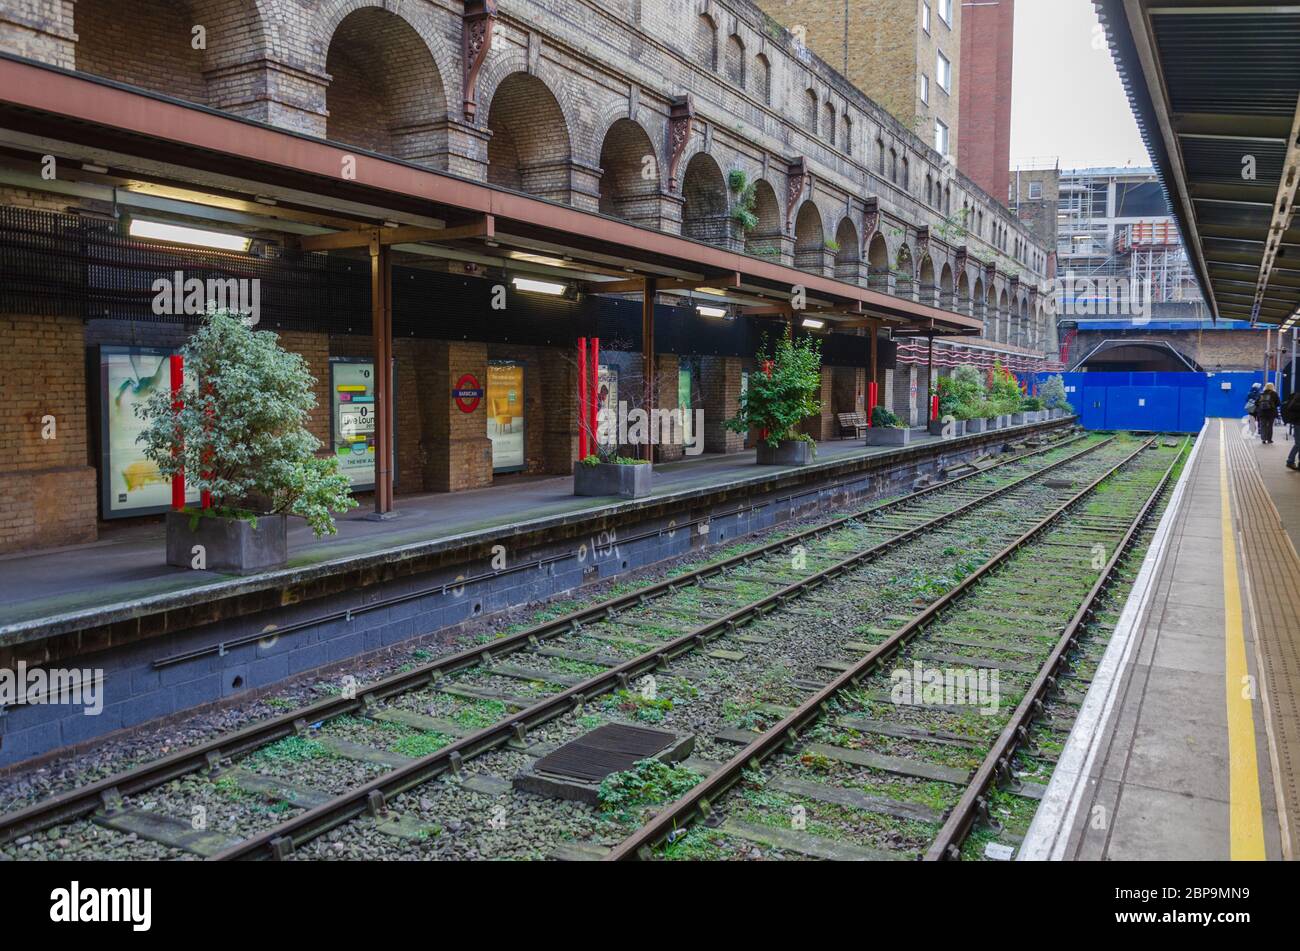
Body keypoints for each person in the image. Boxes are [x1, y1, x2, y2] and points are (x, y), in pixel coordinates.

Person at [1283, 387, 1300, 470]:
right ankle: (1290, 461)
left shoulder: (1296, 396)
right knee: (1298, 444)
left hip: (1297, 423)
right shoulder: (1297, 397)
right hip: (1298, 423)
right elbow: (1292, 407)